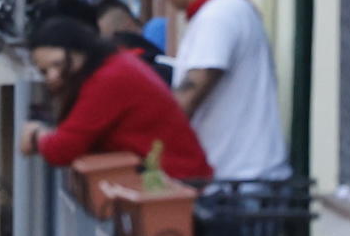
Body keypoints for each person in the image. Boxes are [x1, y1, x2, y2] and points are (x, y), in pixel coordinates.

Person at [149, 0, 287, 180]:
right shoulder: (225, 9)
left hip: (239, 184)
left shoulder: (219, 15)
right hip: (238, 182)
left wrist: (145, 146)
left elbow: (188, 98)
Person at [15, 15, 212, 182]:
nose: (52, 77)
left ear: (79, 51)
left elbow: (63, 148)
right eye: (44, 71)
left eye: (58, 65)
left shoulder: (107, 79)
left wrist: (35, 136)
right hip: (172, 182)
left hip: (176, 187)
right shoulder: (112, 66)